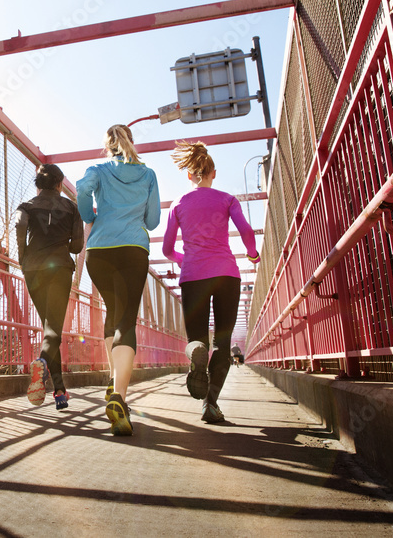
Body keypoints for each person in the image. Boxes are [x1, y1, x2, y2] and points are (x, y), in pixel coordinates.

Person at [162, 141, 260, 424]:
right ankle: (210, 404)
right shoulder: (227, 199)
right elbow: (246, 232)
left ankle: (195, 351)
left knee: (197, 339)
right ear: (212, 173)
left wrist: (184, 259)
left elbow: (167, 249)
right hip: (226, 275)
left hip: (193, 276)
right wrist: (252, 256)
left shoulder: (178, 204)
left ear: (189, 175)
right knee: (224, 342)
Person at [76, 124, 160, 436]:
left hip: (98, 251)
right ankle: (119, 398)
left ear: (108, 145)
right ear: (130, 142)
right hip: (132, 249)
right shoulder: (147, 174)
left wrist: (90, 216)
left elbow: (82, 190)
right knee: (126, 319)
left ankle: (114, 382)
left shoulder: (97, 169)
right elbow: (152, 220)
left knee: (113, 312)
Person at [15, 163, 85, 410]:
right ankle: (42, 363)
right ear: (59, 184)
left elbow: (19, 225)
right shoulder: (72, 208)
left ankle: (59, 390)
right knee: (53, 329)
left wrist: (23, 257)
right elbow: (77, 247)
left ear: (39, 185)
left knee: (49, 328)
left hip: (33, 269)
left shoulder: (26, 206)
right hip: (59, 270)